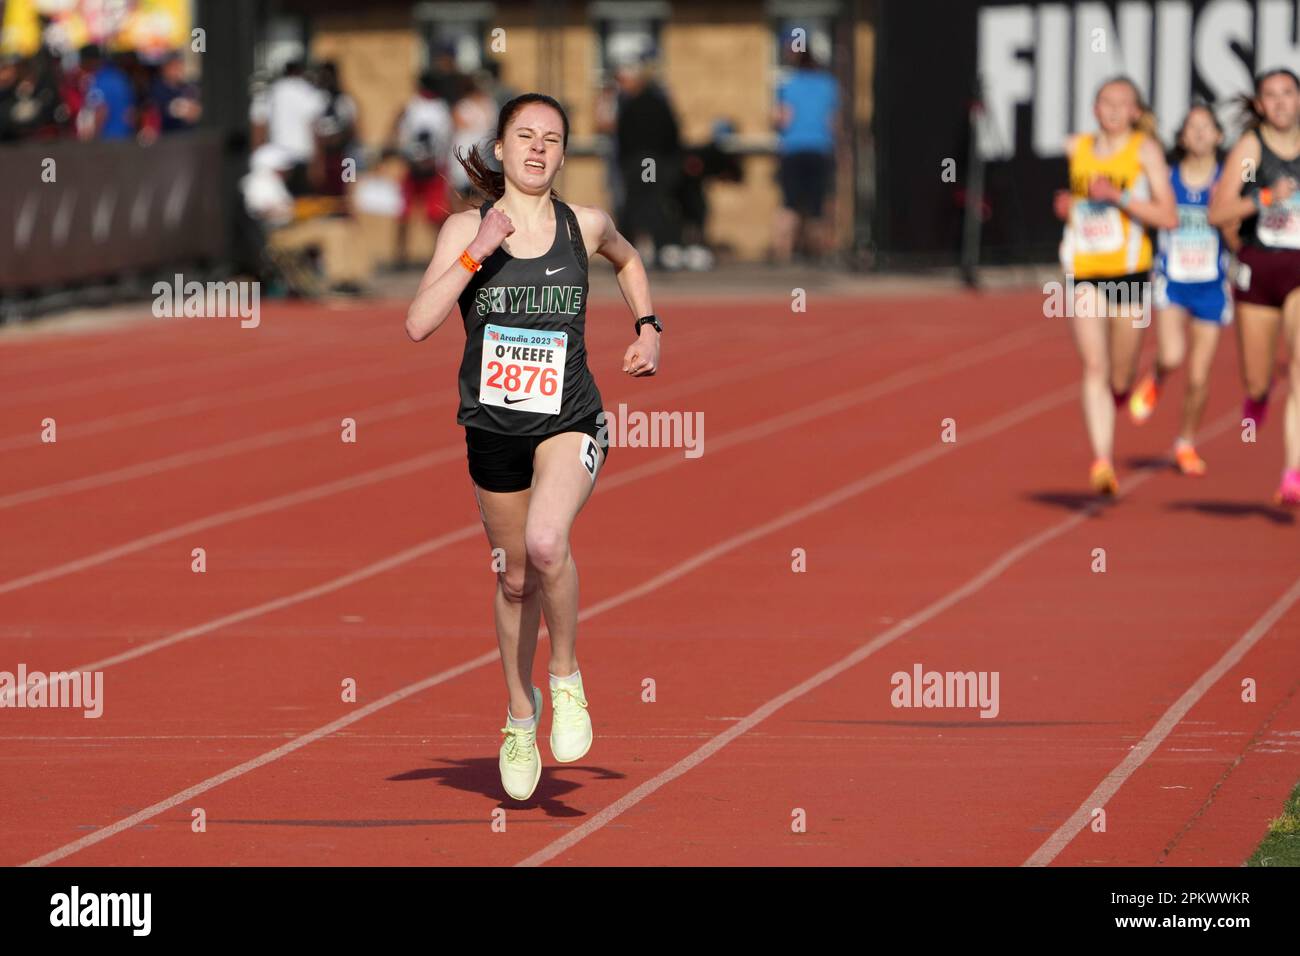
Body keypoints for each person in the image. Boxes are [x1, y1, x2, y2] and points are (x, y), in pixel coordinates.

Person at [404, 93, 662, 802]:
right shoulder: (465, 226)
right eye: (525, 135)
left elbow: (630, 261)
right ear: (501, 146)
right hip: (492, 433)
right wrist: (474, 252)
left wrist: (648, 327)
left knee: (549, 545)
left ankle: (567, 678)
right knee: (515, 577)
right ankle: (521, 716)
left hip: (570, 419)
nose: (538, 148)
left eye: (552, 138)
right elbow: (419, 322)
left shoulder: (586, 225)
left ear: (563, 152)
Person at [1053, 76, 1178, 496]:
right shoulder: (1077, 148)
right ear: (1094, 108)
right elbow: (1073, 197)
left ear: (1135, 112)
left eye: (1121, 103)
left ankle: (1123, 393)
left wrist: (1118, 198)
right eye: (1105, 101)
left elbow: (1168, 216)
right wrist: (1068, 204)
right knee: (1094, 366)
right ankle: (1103, 460)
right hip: (1085, 271)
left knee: (1120, 375)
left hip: (1129, 276)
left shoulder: (1144, 151)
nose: (1111, 109)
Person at [1208, 68, 1300, 505]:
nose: (1281, 102)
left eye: (1288, 93)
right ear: (1260, 105)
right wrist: (1265, 197)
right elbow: (1219, 211)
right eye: (1271, 96)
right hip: (1259, 266)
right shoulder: (1251, 149)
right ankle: (1257, 398)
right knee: (1258, 378)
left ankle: (1293, 472)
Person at [1127, 105, 1234, 476]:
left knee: (1199, 376)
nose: (1201, 133)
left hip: (1211, 287)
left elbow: (1239, 238)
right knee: (1172, 355)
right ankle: (1157, 376)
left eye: (1207, 127)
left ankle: (1185, 442)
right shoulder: (1167, 179)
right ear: (1183, 137)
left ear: (1219, 136)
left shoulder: (1228, 181)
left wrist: (1228, 209)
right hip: (1172, 281)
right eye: (1193, 127)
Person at [613, 57, 684, 268]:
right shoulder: (651, 103)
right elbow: (672, 133)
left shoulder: (634, 104)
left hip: (645, 162)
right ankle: (646, 247)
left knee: (645, 201)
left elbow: (624, 137)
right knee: (646, 201)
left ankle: (645, 247)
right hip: (648, 161)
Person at [772, 49, 839, 263]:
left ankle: (783, 253)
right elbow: (833, 122)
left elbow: (782, 118)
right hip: (820, 149)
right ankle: (819, 253)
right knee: (819, 206)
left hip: (793, 149)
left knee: (789, 204)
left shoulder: (787, 86)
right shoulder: (828, 85)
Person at [392, 71, 454, 268]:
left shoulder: (422, 107)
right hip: (417, 167)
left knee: (434, 214)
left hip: (430, 168)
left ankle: (438, 254)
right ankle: (402, 255)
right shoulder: (423, 107)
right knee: (405, 213)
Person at [250, 60, 326, 196]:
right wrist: (318, 162)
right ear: (301, 72)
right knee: (301, 201)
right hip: (301, 158)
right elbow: (314, 127)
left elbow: (259, 123)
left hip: (276, 159)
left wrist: (259, 156)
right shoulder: (307, 91)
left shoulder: (272, 91)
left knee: (278, 200)